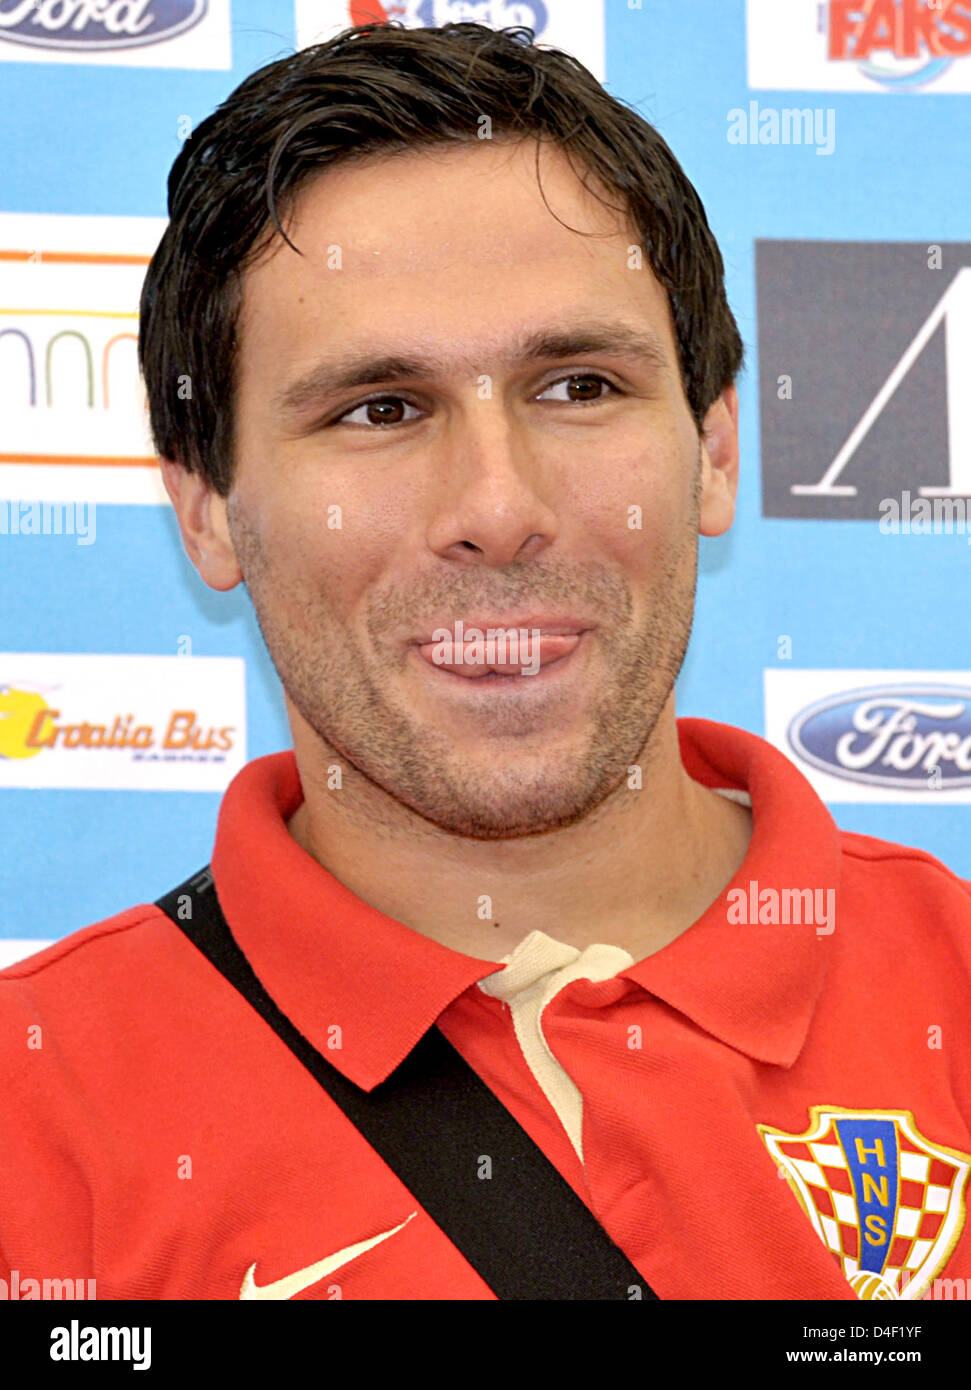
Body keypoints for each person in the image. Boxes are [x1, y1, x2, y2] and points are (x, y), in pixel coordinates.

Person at [1, 21, 969, 1303]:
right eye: (378, 410)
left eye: (575, 386)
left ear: (716, 448)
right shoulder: (38, 1110)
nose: (497, 505)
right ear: (208, 509)